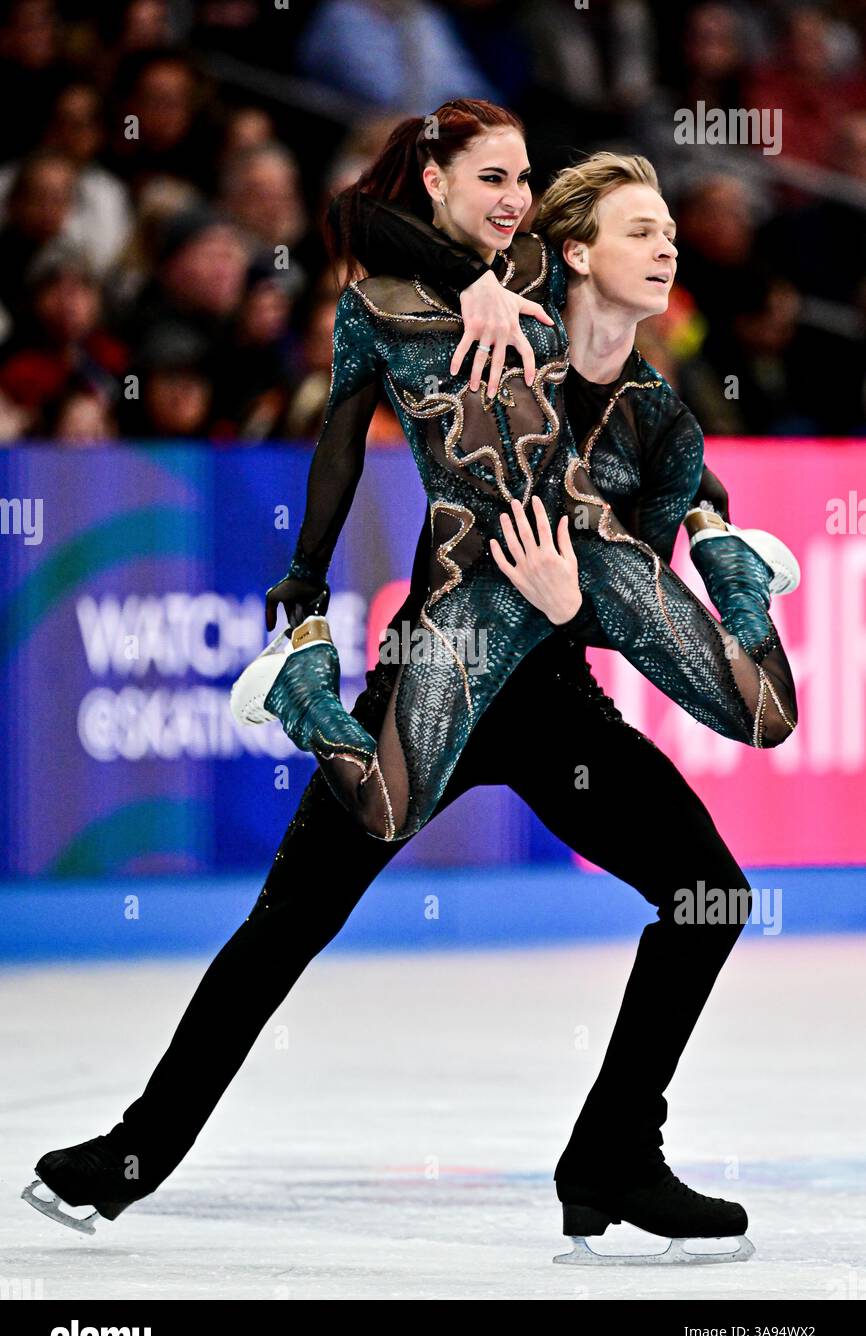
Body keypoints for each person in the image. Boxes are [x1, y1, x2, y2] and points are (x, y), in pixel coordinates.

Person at [22, 137, 799, 1266]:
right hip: (431, 669)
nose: (667, 243)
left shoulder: (651, 408)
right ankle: (128, 1157)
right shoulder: (491, 310)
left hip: (548, 703)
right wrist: (482, 279)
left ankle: (612, 1159)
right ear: (567, 252)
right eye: (643, 228)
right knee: (291, 923)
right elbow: (361, 219)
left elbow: (652, 562)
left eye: (670, 231)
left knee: (707, 896)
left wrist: (703, 555)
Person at [230, 101, 797, 851]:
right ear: (435, 180)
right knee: (385, 813)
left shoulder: (536, 267)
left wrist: (688, 495)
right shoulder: (371, 311)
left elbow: (614, 365)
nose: (516, 198)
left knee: (769, 716)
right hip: (472, 584)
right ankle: (299, 688)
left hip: (586, 541)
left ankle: (734, 563)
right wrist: (307, 573)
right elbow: (341, 444)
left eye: (523, 179)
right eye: (494, 177)